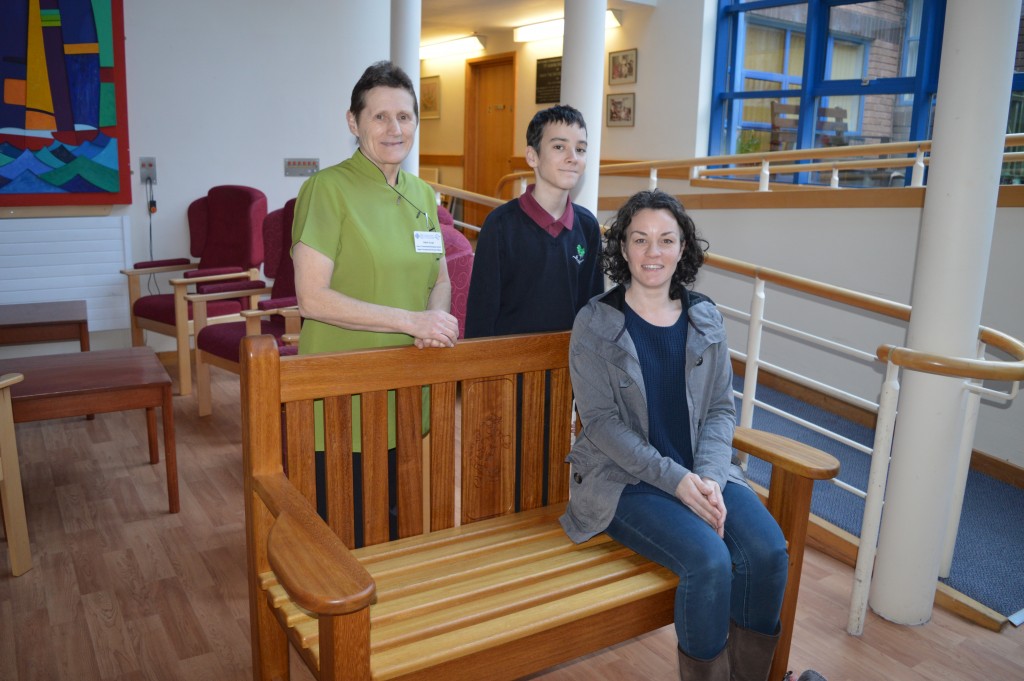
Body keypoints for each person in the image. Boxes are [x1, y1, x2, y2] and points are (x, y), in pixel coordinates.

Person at [560, 189, 789, 681]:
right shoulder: (596, 323)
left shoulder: (705, 317)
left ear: (683, 248)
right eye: (640, 239)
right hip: (626, 481)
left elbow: (721, 409)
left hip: (702, 474)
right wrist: (679, 482)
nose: (653, 252)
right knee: (710, 562)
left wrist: (707, 479)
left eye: (666, 240)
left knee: (768, 552)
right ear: (622, 248)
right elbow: (601, 424)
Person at [292, 60, 458, 544]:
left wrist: (436, 320)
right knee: (342, 534)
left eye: (404, 117)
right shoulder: (326, 189)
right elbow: (311, 298)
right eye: (380, 117)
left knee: (395, 526)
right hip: (343, 390)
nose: (394, 129)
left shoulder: (423, 195)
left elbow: (440, 279)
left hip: (405, 385)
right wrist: (412, 321)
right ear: (354, 122)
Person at [464, 104, 603, 338]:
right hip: (510, 358)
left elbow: (592, 310)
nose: (573, 158)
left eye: (580, 149)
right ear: (532, 156)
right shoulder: (500, 225)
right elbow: (481, 314)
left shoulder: (588, 226)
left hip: (569, 357)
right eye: (559, 147)